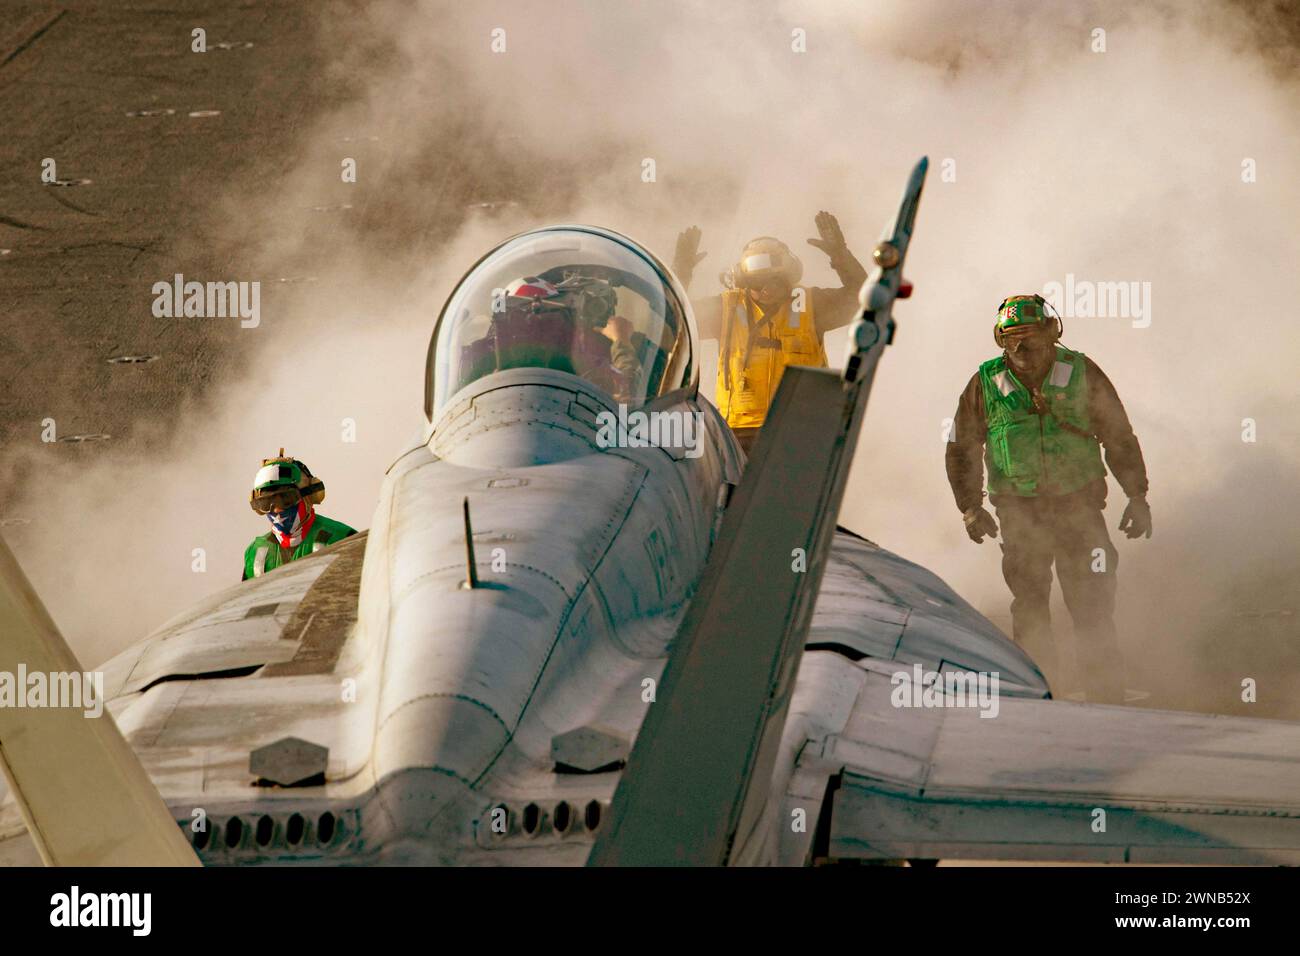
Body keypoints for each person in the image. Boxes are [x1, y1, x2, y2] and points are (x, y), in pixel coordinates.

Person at [945, 294, 1152, 703]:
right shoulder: (985, 383)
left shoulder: (1082, 373)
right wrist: (970, 505)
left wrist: (1137, 495)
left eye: (1030, 338)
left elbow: (1118, 434)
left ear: (1052, 334)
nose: (1021, 350)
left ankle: (1106, 694)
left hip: (1080, 507)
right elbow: (961, 447)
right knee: (1030, 604)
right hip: (1020, 512)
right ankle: (1038, 698)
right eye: (1011, 340)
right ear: (1000, 342)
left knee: (1092, 600)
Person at [672, 213, 867, 452]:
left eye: (774, 281)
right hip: (736, 433)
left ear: (788, 277)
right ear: (743, 281)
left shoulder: (812, 306)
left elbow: (862, 298)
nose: (765, 290)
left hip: (800, 430)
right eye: (756, 283)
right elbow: (675, 319)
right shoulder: (726, 309)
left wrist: (840, 255)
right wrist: (680, 272)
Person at [243, 450, 357, 580]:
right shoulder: (254, 553)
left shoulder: (344, 539)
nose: (277, 510)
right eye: (266, 503)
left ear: (309, 497)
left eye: (286, 499)